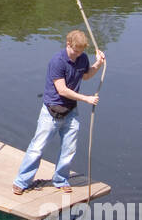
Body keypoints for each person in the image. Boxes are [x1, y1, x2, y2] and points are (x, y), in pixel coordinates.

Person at [12, 30, 105, 194]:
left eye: (81, 51)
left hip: (71, 112)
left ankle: (61, 179)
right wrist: (86, 98)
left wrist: (98, 64)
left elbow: (86, 75)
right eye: (76, 51)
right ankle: (22, 181)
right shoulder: (57, 61)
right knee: (37, 148)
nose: (78, 54)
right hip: (51, 112)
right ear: (68, 44)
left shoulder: (82, 58)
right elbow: (62, 90)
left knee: (69, 149)